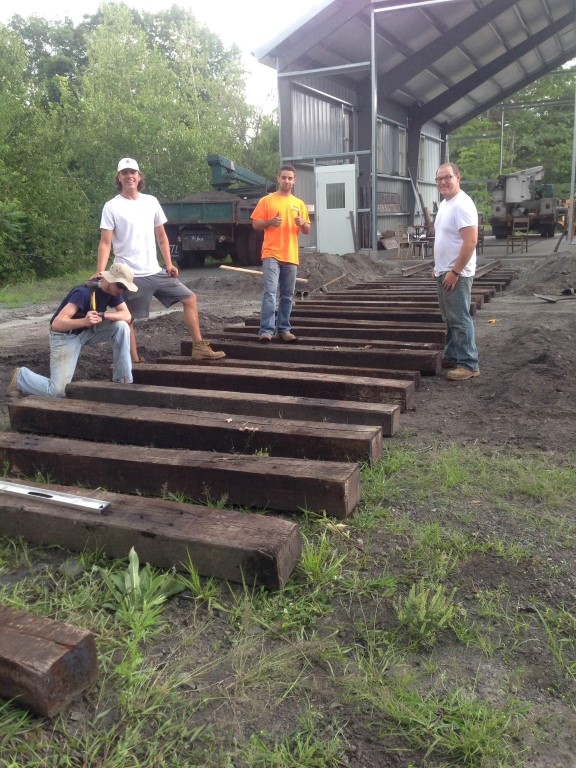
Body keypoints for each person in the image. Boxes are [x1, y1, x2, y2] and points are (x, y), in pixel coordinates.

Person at [97, 158, 225, 362]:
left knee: (189, 298)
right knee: (129, 318)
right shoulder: (112, 206)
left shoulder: (151, 202)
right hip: (130, 276)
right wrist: (101, 271)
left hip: (155, 271)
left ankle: (199, 347)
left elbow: (162, 236)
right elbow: (105, 242)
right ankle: (134, 361)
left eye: (133, 172)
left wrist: (169, 263)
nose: (130, 176)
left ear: (139, 177)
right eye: (125, 173)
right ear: (119, 177)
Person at [8, 263, 136, 398]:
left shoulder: (113, 291)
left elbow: (127, 316)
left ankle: (123, 381)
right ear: (110, 280)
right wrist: (84, 321)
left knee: (121, 326)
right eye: (120, 286)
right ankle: (22, 377)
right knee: (58, 392)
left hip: (87, 332)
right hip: (65, 336)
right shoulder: (83, 292)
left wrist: (104, 315)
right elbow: (56, 324)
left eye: (125, 288)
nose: (121, 291)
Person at [251, 164, 311, 342]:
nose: (287, 181)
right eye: (284, 177)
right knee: (270, 292)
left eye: (290, 178)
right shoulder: (267, 201)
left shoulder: (298, 204)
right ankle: (266, 331)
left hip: (291, 255)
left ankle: (284, 329)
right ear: (278, 179)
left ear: (294, 181)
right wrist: (270, 222)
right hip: (271, 253)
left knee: (287, 294)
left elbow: (307, 229)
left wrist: (301, 222)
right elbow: (255, 224)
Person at [433, 162, 480, 381]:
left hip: (456, 272)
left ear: (458, 178)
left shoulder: (462, 204)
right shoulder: (446, 204)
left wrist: (455, 271)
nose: (443, 182)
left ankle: (469, 364)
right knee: (449, 317)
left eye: (447, 177)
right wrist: (439, 268)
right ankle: (452, 355)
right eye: (439, 179)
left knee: (460, 317)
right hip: (445, 270)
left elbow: (470, 242)